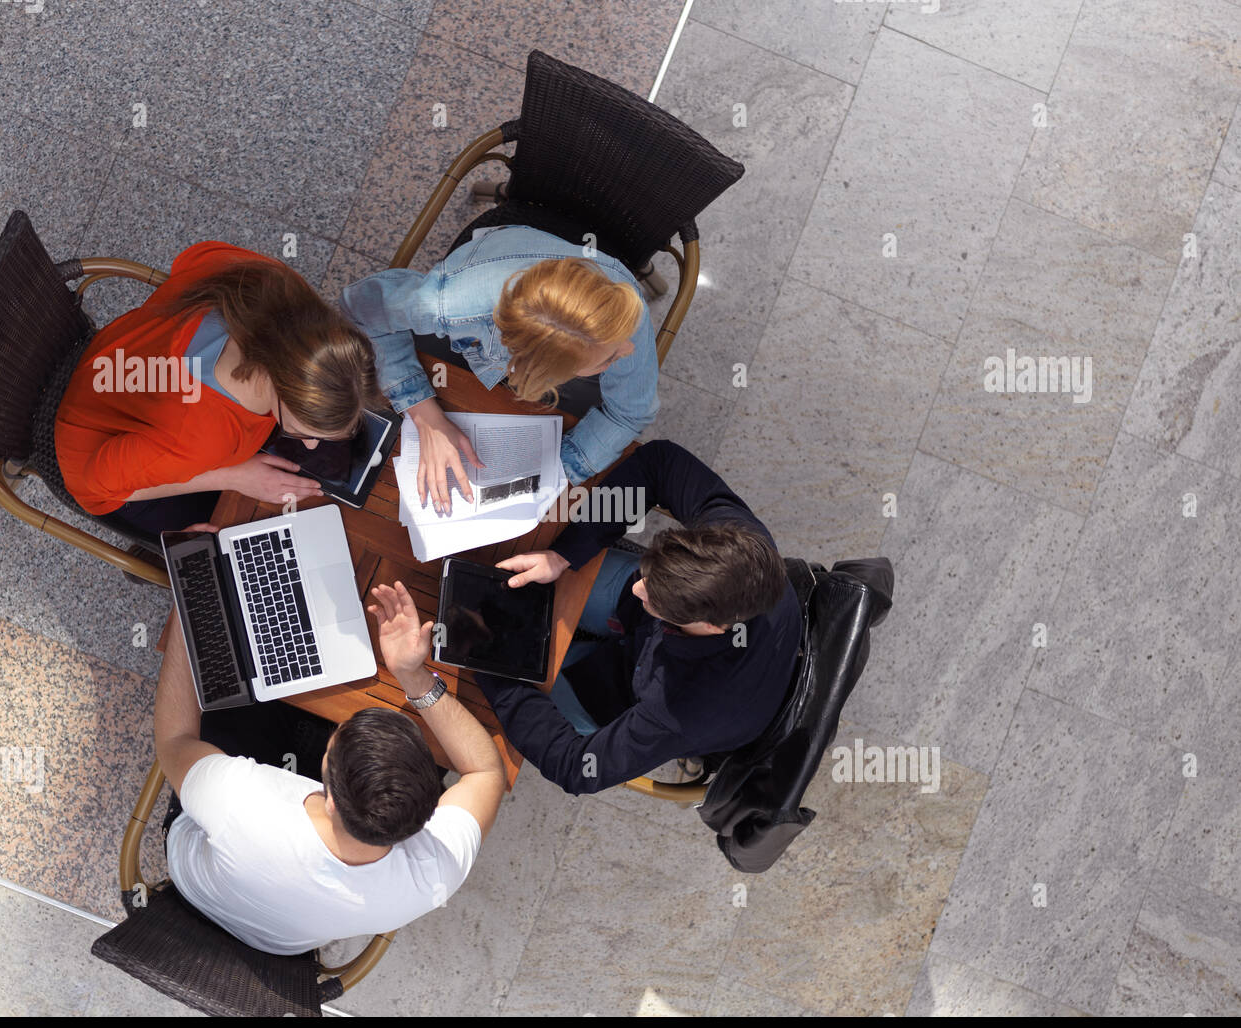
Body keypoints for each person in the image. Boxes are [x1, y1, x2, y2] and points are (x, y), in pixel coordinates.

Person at [154, 578, 505, 955]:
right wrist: (412, 676)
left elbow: (174, 741)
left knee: (244, 673)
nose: (339, 728)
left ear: (331, 799)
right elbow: (485, 772)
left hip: (212, 846)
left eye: (335, 741)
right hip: (280, 931)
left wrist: (186, 601)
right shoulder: (433, 874)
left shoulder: (241, 801)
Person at [473, 440, 803, 796]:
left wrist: (489, 664)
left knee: (491, 685)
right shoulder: (739, 546)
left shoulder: (680, 713)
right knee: (516, 576)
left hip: (622, 690)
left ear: (710, 626)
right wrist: (564, 555)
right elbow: (659, 462)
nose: (638, 589)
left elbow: (576, 768)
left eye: (656, 597)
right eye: (651, 574)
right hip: (655, 639)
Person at [55, 241, 377, 538]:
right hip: (91, 444)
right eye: (309, 431)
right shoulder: (200, 438)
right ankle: (151, 556)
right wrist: (231, 477)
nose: (309, 444)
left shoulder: (281, 285)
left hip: (116, 361)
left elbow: (196, 257)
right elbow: (90, 486)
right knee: (236, 537)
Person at [339, 224, 658, 514]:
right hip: (488, 267)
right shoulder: (447, 307)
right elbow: (362, 309)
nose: (630, 350)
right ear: (535, 371)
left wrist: (555, 473)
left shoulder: (621, 304)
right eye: (609, 359)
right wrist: (426, 417)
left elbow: (631, 412)